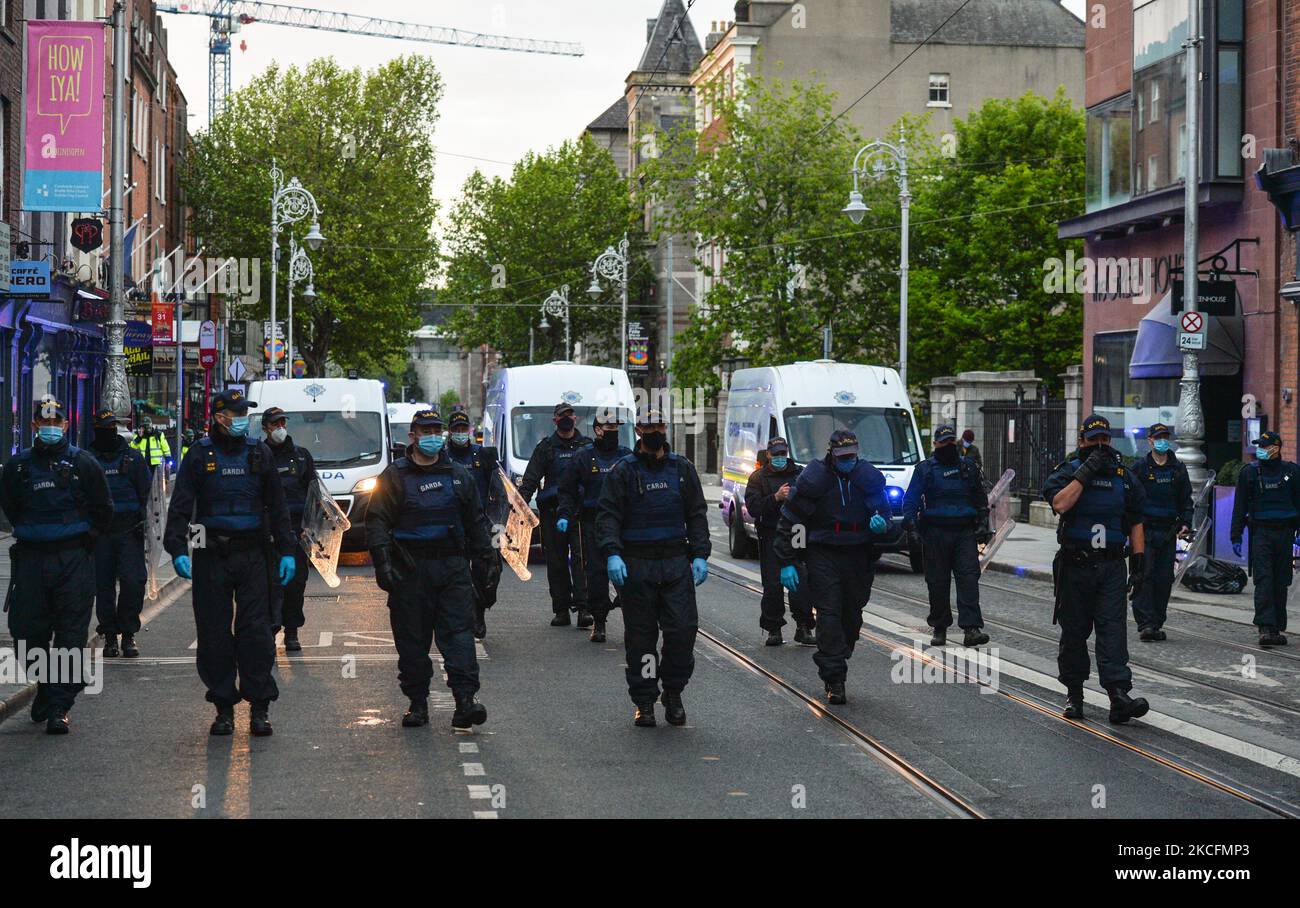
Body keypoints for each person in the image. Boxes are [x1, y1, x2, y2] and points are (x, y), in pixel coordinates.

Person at [164, 389, 297, 737]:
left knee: (257, 632)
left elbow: (278, 506)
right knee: (213, 634)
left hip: (254, 555)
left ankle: (259, 707)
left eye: (244, 414)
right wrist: (177, 548)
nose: (241, 420)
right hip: (211, 555)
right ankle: (223, 708)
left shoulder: (259, 453)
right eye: (236, 414)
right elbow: (181, 505)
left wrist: (287, 550)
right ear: (219, 416)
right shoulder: (198, 455)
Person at [366, 408, 494, 729]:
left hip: (451, 568)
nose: (433, 437)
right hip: (410, 570)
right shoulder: (395, 477)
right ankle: (417, 703)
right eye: (426, 431)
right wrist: (382, 564)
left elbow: (477, 522)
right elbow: (377, 522)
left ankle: (465, 701)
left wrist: (487, 561)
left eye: (437, 431)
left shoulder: (458, 475)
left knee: (459, 636)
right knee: (412, 640)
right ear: (413, 436)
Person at [0, 397, 112, 734]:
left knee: (70, 636)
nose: (50, 428)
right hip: (33, 558)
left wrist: (82, 542)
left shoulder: (83, 464)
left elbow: (103, 509)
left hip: (72, 560)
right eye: (43, 422)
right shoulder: (18, 467)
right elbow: (10, 507)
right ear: (34, 425)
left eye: (56, 422)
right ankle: (47, 688)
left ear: (65, 425)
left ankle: (59, 706)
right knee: (25, 632)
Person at [596, 409, 710, 727]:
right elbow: (608, 516)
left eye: (659, 426)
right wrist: (612, 554)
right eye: (648, 427)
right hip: (637, 566)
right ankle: (645, 700)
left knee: (682, 632)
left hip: (675, 565)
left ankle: (673, 692)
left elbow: (697, 514)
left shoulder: (682, 470)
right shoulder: (623, 472)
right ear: (638, 432)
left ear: (666, 429)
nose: (654, 431)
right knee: (642, 639)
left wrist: (700, 554)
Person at [1042, 414, 1150, 723]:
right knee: (1074, 633)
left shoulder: (1124, 477)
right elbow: (1060, 504)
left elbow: (1136, 521)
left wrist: (1138, 564)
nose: (1100, 445)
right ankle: (1074, 695)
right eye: (1093, 440)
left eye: (1104, 439)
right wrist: (1086, 472)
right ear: (1082, 442)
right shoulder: (1068, 472)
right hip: (1075, 566)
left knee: (1112, 632)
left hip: (1111, 567)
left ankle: (1118, 695)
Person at [774, 430, 890, 706]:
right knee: (828, 614)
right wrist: (787, 562)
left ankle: (841, 649)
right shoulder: (816, 479)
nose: (847, 461)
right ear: (832, 455)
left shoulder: (866, 478)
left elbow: (883, 511)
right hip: (823, 553)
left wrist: (883, 523)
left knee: (851, 615)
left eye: (851, 456)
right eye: (842, 457)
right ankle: (834, 677)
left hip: (858, 553)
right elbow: (790, 522)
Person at [902, 425, 991, 647]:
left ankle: (971, 628)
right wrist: (911, 526)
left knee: (969, 578)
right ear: (935, 444)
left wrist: (982, 525)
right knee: (937, 581)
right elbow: (911, 500)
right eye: (944, 442)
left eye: (952, 441)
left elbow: (980, 499)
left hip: (964, 532)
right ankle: (939, 627)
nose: (949, 446)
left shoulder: (968, 467)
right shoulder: (925, 469)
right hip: (935, 532)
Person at [557, 410, 632, 643]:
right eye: (609, 428)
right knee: (596, 574)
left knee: (629, 575)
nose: (614, 433)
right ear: (598, 430)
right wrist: (564, 514)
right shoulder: (584, 456)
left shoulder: (626, 456)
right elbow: (567, 488)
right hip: (593, 522)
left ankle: (633, 620)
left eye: (616, 429)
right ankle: (599, 622)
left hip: (623, 524)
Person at [516, 401, 591, 627]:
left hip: (579, 513)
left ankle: (584, 608)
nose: (566, 419)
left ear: (575, 418)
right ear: (555, 420)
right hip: (552, 512)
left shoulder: (586, 446)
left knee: (581, 560)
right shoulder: (546, 448)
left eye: (570, 415)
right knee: (556, 562)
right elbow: (530, 479)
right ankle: (561, 610)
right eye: (562, 416)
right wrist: (519, 505)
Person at [88, 408, 152, 659]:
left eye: (112, 428)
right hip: (100, 534)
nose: (109, 433)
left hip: (129, 532)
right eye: (104, 429)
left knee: (133, 582)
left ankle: (128, 633)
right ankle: (110, 636)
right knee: (103, 587)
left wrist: (147, 527)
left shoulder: (133, 459)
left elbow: (147, 494)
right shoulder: (88, 459)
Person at [1230, 430, 1300, 647]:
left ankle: (1277, 626)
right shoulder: (1249, 473)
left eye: (1264, 446)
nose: (1259, 449)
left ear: (1276, 448)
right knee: (1264, 580)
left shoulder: (1292, 472)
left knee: (1281, 581)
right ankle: (1266, 627)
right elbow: (1240, 505)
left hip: (1285, 532)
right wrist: (1236, 534)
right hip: (1261, 532)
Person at [743, 436, 814, 646]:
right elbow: (753, 507)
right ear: (768, 455)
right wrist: (775, 498)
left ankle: (804, 626)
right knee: (772, 584)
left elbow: (811, 500)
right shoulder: (758, 477)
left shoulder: (800, 473)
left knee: (801, 581)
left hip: (797, 533)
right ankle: (773, 628)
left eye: (783, 454)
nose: (780, 458)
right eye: (776, 455)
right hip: (771, 533)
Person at [445, 407, 504, 640]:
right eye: (456, 429)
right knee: (456, 577)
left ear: (469, 430)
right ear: (450, 432)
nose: (460, 433)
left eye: (463, 428)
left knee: (488, 575)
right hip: (452, 526)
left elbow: (500, 493)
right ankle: (463, 618)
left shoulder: (484, 456)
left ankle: (480, 609)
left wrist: (499, 523)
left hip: (481, 525)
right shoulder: (442, 457)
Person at [1131, 423, 1193, 642]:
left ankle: (1156, 622)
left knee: (1163, 579)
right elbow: (1130, 499)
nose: (1162, 441)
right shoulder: (1140, 468)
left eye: (1165, 437)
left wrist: (1186, 522)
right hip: (1144, 531)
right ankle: (1145, 623)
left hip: (1167, 533)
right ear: (1150, 440)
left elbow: (1186, 500)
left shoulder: (1177, 469)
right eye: (1158, 437)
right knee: (1143, 576)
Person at [261, 407, 316, 653]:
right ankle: (271, 631)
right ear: (266, 427)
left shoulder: (302, 457)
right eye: (275, 424)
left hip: (296, 531)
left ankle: (292, 631)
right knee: (268, 585)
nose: (280, 427)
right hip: (267, 532)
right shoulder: (259, 455)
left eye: (282, 422)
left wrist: (310, 528)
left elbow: (314, 495)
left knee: (295, 584)